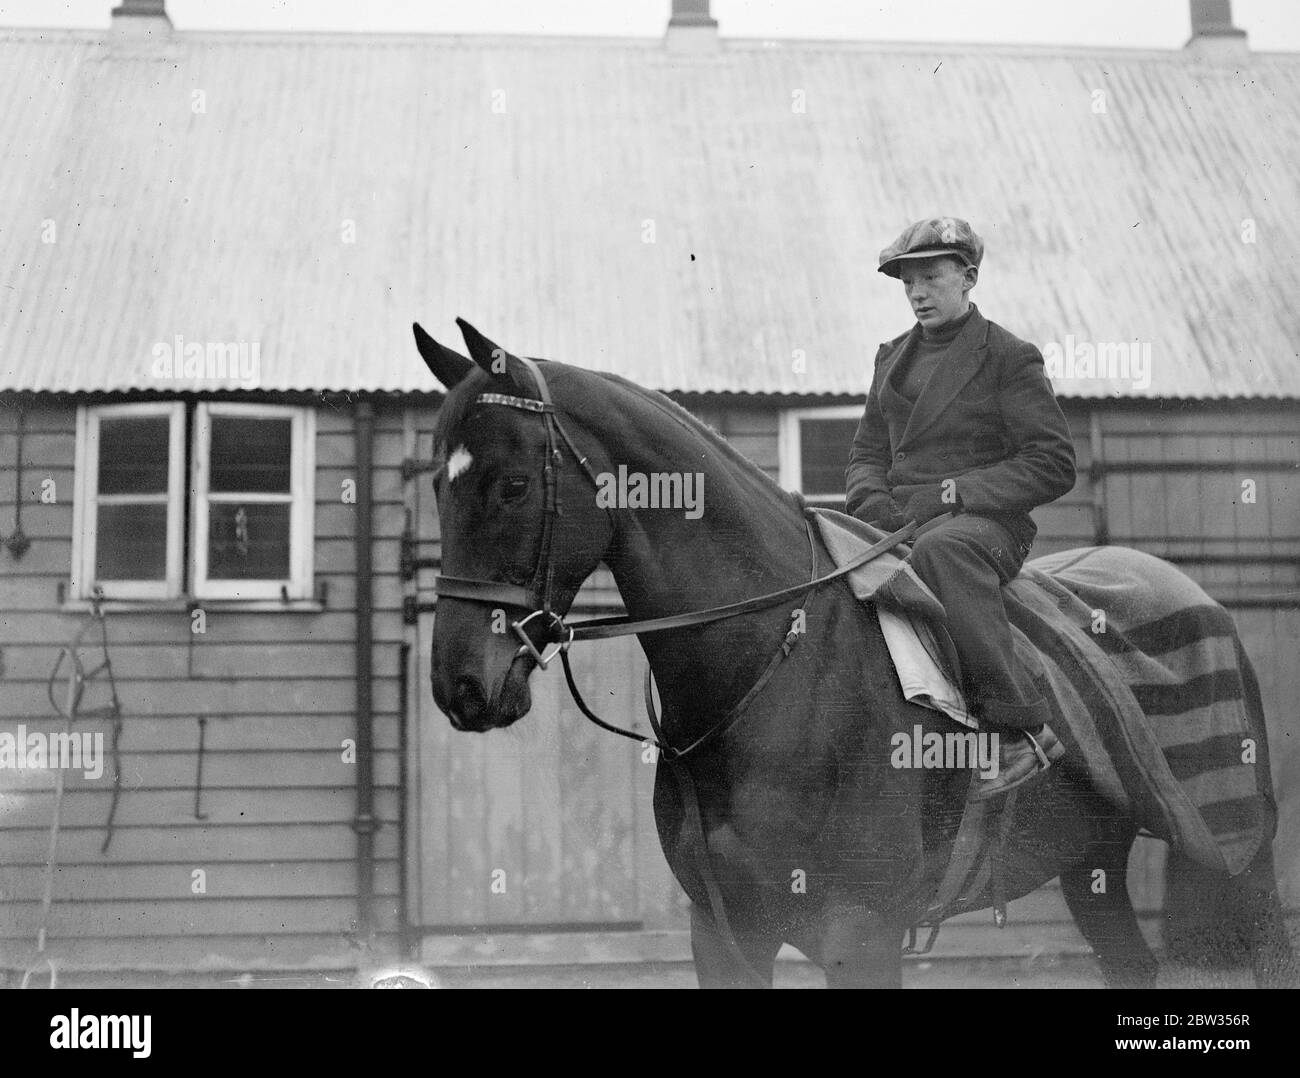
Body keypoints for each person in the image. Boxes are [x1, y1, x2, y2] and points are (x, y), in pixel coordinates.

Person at [846, 216, 1077, 799]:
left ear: (969, 277)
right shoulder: (889, 358)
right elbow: (866, 456)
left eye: (930, 277)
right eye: (907, 283)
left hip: (985, 526)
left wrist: (955, 492)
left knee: (942, 550)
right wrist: (875, 506)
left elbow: (1053, 462)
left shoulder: (1008, 357)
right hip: (899, 521)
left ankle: (1020, 732)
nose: (917, 293)